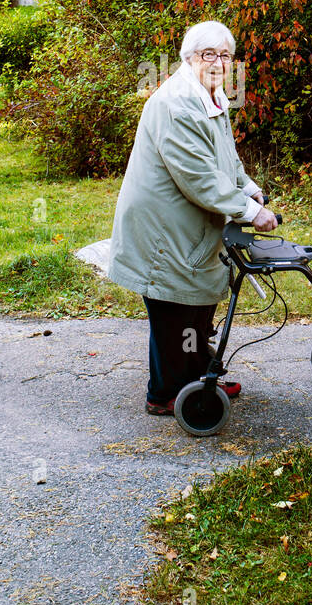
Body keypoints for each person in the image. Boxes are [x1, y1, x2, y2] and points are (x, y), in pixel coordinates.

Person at [107, 20, 278, 415]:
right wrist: (252, 212)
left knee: (197, 303)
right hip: (162, 230)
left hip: (188, 228)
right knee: (174, 306)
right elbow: (199, 179)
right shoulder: (176, 103)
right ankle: (166, 393)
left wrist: (249, 188)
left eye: (225, 55)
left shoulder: (210, 96)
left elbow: (225, 159)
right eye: (209, 54)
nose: (218, 62)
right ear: (189, 57)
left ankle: (201, 374)